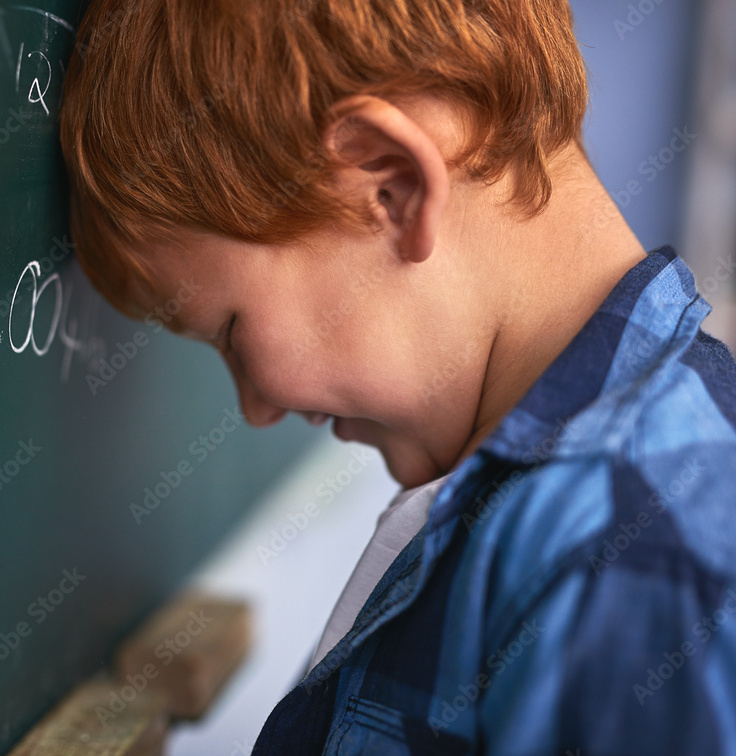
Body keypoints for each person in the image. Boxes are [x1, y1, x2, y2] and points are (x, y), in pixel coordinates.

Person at [59, 0, 736, 752]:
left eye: (230, 331)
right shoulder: (549, 512)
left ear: (392, 188)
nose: (254, 409)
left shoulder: (630, 561)